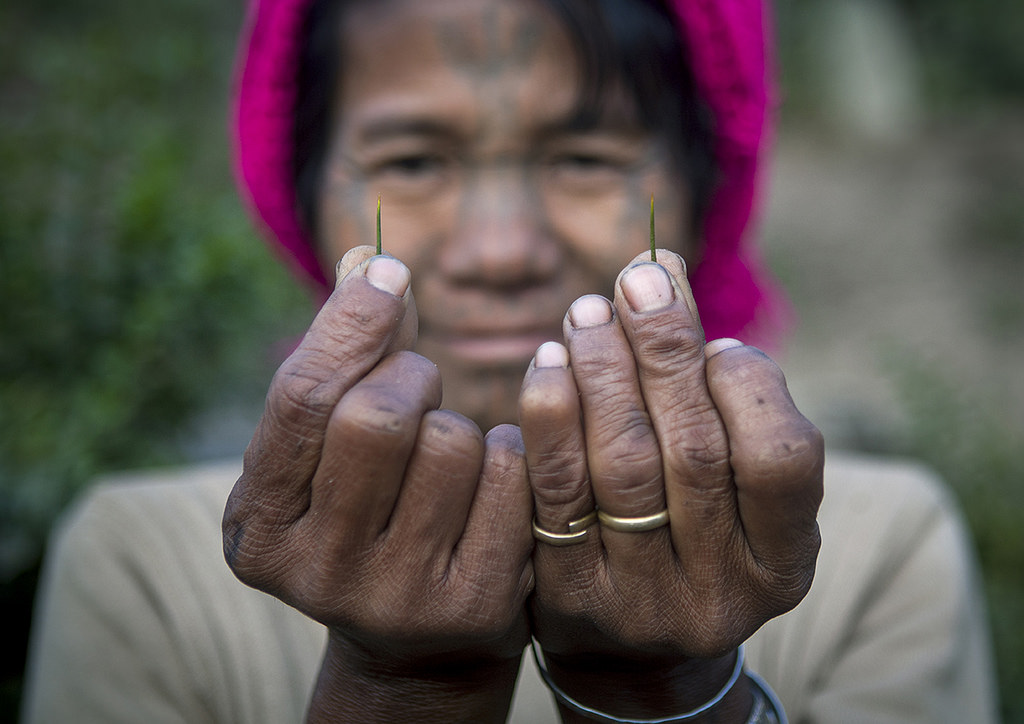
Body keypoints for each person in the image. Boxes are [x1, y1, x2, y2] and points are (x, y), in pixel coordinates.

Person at [21, 0, 999, 722]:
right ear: (301, 189)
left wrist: (664, 690)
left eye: (585, 160)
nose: (499, 250)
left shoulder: (873, 548)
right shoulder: (143, 567)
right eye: (411, 162)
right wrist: (396, 682)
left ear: (706, 192)